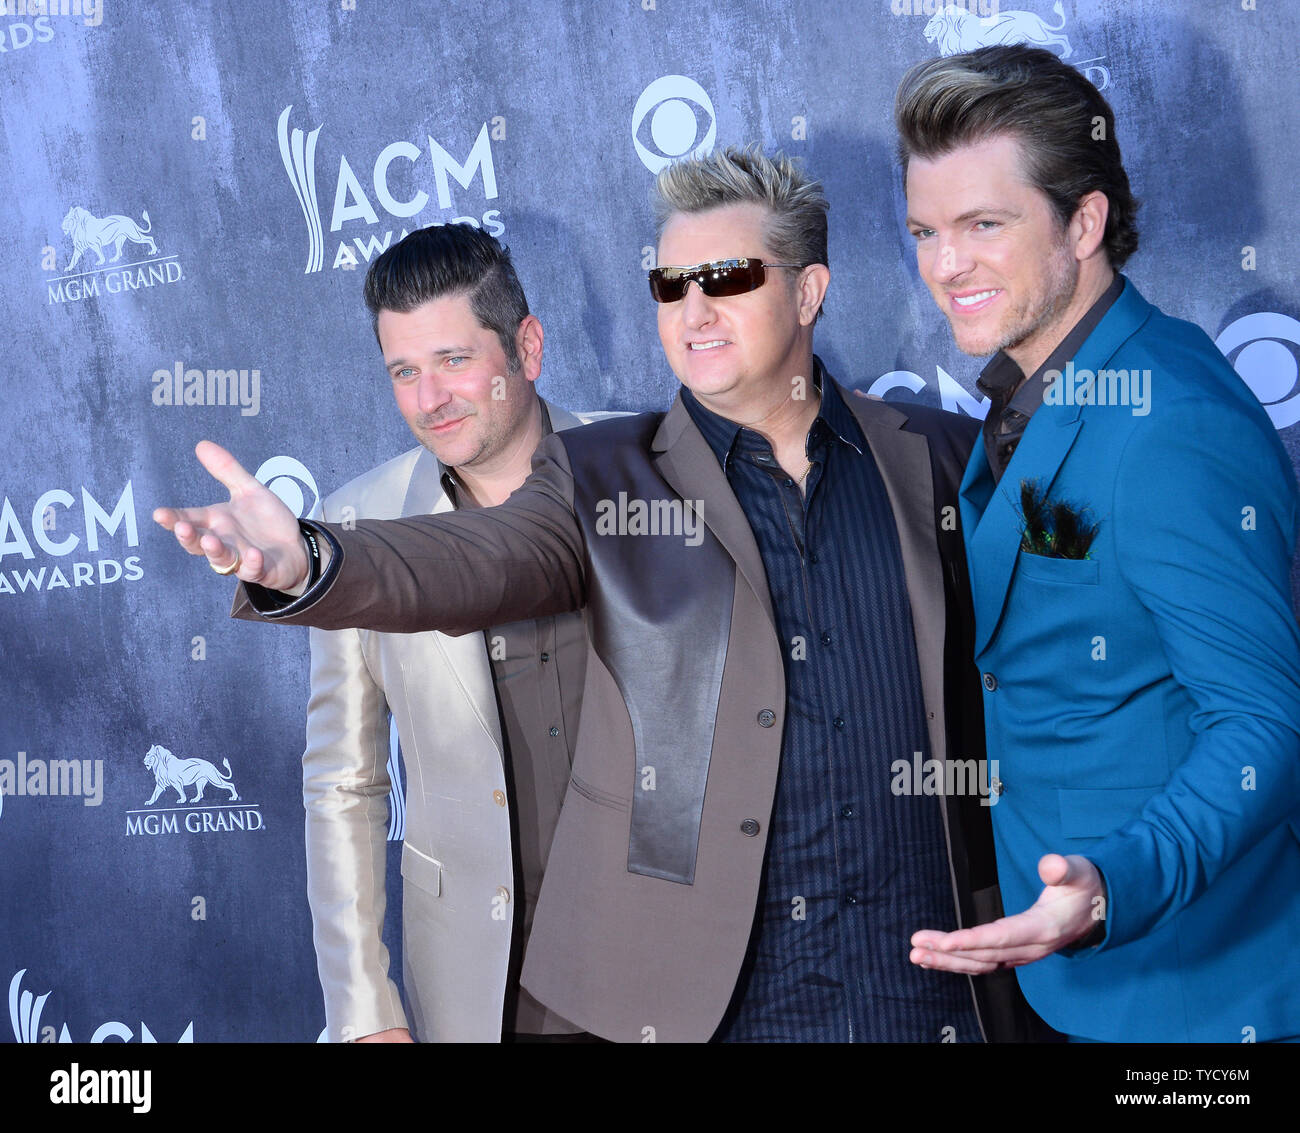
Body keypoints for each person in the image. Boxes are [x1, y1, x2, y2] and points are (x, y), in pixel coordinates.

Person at [156, 147, 1049, 1042]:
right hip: (729, 1002)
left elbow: (1070, 656)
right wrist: (312, 561)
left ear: (809, 292)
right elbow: (483, 557)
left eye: (727, 277)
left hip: (940, 982)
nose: (693, 310)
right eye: (670, 285)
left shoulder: (947, 456)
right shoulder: (605, 477)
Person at [896, 45, 1300, 1041]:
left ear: (1084, 221)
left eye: (984, 224)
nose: (946, 265)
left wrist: (1111, 884)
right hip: (1080, 984)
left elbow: (1263, 722)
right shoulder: (1055, 382)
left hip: (1195, 998)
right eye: (925, 231)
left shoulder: (1168, 422)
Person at [298, 224, 595, 1042]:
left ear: (525, 348)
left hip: (660, 966)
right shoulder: (356, 526)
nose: (430, 399)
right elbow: (343, 785)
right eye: (405, 371)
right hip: (477, 981)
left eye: (455, 360)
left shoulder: (645, 467)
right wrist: (363, 1009)